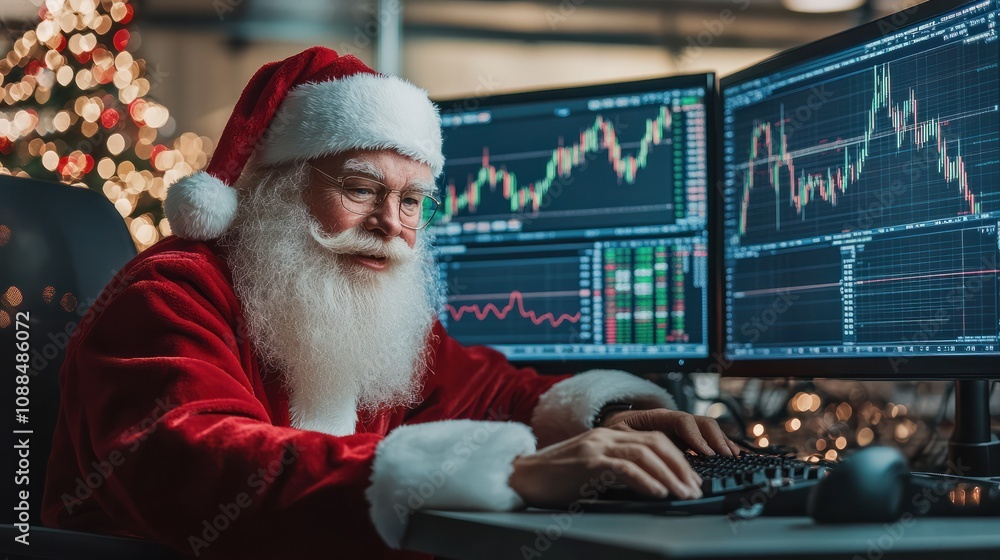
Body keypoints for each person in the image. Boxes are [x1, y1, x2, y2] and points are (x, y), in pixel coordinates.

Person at [41, 47, 738, 559]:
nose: (390, 225)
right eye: (360, 189)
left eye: (410, 202)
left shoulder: (358, 299)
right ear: (277, 188)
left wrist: (613, 409)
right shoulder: (169, 293)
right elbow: (198, 462)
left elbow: (485, 389)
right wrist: (509, 471)